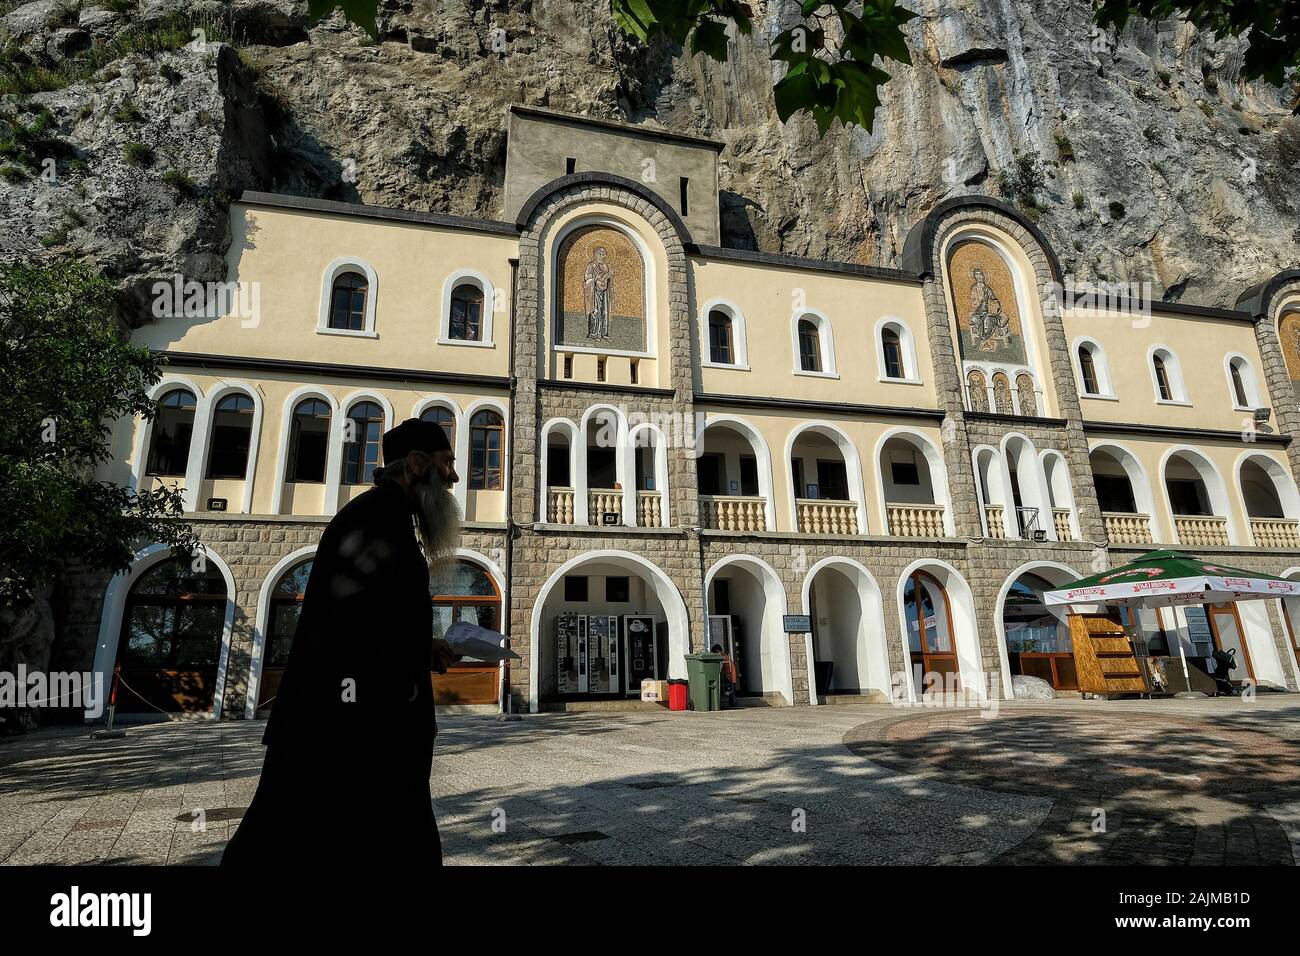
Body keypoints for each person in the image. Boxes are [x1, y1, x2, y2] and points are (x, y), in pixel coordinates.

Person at [221, 419, 462, 869]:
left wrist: (421, 645)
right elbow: (349, 625)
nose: (454, 477)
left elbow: (371, 616)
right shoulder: (374, 520)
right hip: (353, 728)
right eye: (447, 464)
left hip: (359, 723)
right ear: (416, 464)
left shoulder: (386, 518)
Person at [713, 643, 737, 709]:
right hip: (731, 679)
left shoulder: (724, 657)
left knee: (728, 691)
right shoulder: (726, 657)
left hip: (729, 679)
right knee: (730, 692)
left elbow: (720, 668)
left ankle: (729, 702)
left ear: (718, 651)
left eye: (715, 652)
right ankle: (730, 701)